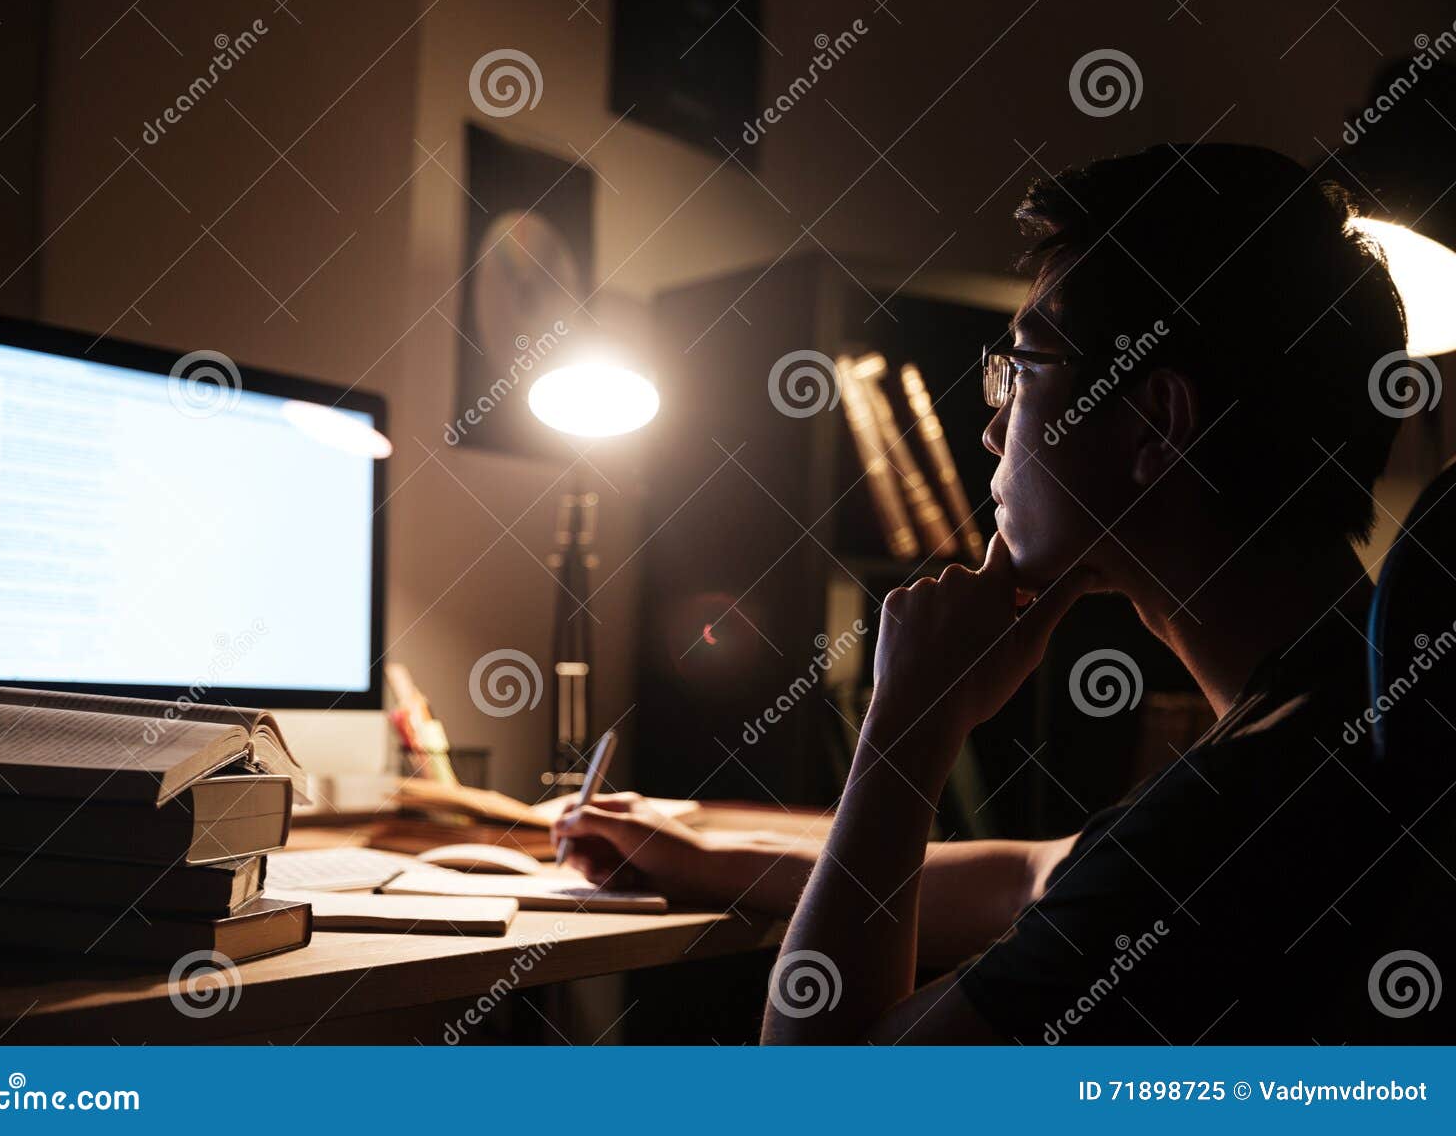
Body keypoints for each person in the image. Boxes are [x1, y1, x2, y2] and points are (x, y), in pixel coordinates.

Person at [555, 143, 1456, 1043]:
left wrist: (907, 725)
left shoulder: (1227, 818)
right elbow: (1034, 874)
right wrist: (710, 855)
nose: (990, 429)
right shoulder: (1348, 715)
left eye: (1020, 371)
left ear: (1155, 423)